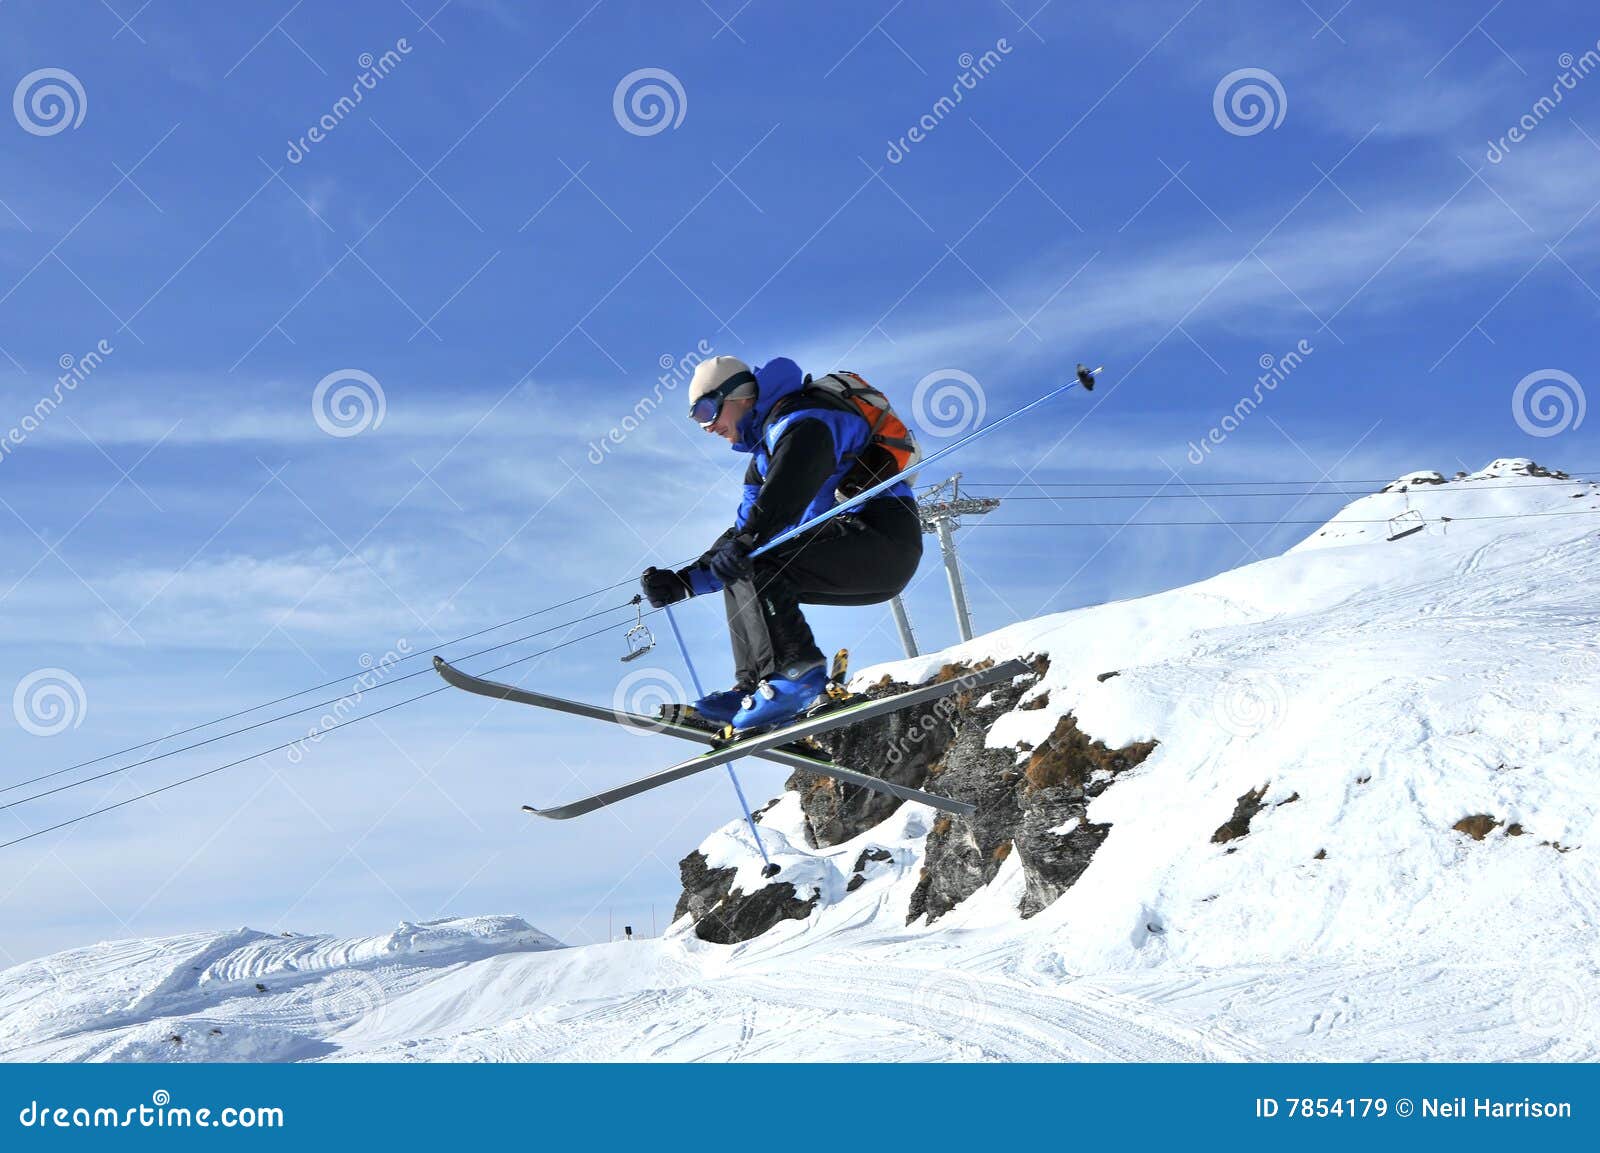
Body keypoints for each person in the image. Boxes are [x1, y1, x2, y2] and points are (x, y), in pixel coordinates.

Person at [640, 355, 923, 731]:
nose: (707, 427)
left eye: (707, 411)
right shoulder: (763, 455)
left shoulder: (806, 419)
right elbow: (743, 531)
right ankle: (755, 687)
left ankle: (795, 673)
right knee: (739, 564)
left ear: (739, 396)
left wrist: (747, 543)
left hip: (882, 538)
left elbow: (791, 486)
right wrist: (685, 582)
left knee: (754, 559)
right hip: (850, 543)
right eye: (697, 420)